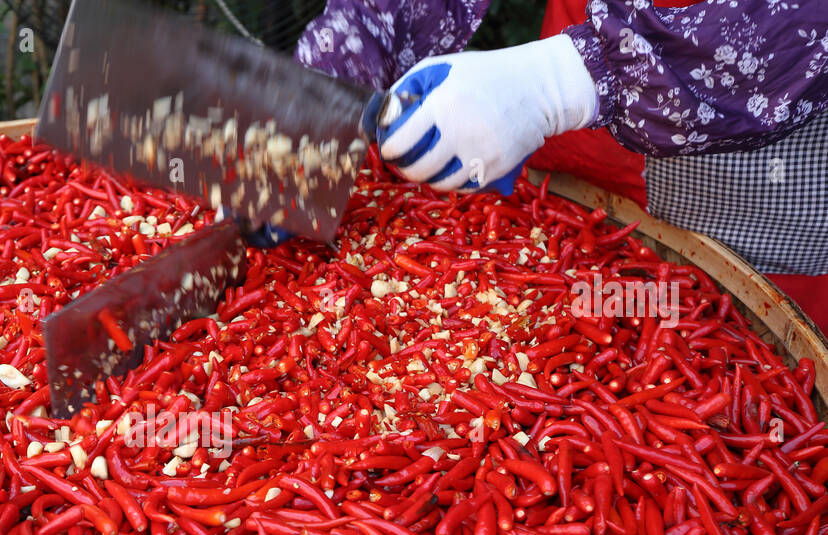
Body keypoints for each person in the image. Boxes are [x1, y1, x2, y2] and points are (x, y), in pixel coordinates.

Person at [295, 0, 828, 332]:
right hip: (565, 158)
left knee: (740, 345)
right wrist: (362, 37)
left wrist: (567, 76)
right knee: (548, 288)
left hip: (760, 168)